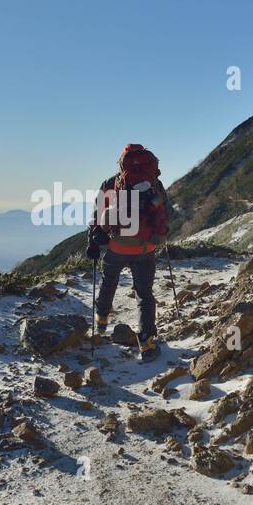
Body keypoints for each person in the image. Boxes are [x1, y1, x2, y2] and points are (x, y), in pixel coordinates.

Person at [87, 143, 169, 354]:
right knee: (144, 293)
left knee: (109, 282)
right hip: (145, 247)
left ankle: (102, 320)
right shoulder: (154, 183)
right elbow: (164, 211)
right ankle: (147, 342)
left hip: (118, 246)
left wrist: (93, 241)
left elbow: (97, 215)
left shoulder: (111, 183)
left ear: (121, 162)